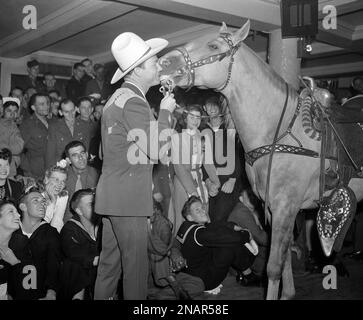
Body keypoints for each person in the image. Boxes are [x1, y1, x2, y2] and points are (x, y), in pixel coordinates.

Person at [94, 32, 176, 300]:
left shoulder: (115, 98)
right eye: (153, 63)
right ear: (138, 70)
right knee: (136, 271)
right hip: (128, 200)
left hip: (111, 197)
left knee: (109, 268)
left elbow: (106, 151)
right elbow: (155, 150)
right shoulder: (136, 102)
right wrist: (165, 112)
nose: (157, 66)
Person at [176, 196, 258, 294]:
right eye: (197, 210)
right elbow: (236, 238)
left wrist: (232, 226)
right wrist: (246, 234)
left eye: (202, 208)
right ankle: (248, 276)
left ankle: (246, 273)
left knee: (225, 238)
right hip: (205, 280)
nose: (203, 211)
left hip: (194, 272)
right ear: (190, 217)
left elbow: (213, 227)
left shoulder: (185, 226)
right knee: (230, 244)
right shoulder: (199, 233)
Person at [170, 104, 220, 234]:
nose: (195, 120)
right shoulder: (177, 138)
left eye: (198, 117)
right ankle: (179, 248)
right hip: (183, 183)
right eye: (192, 117)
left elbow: (208, 163)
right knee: (183, 217)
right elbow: (179, 167)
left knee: (202, 215)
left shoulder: (203, 137)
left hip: (199, 180)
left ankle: (199, 246)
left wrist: (215, 182)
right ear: (185, 119)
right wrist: (192, 191)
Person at [8, 187, 61, 300]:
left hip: (40, 293)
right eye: (35, 201)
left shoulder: (50, 233)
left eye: (43, 202)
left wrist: (51, 292)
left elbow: (53, 266)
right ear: (23, 207)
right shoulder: (11, 231)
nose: (42, 204)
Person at [202, 96, 242, 222]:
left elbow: (238, 154)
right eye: (209, 105)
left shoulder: (230, 127)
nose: (212, 108)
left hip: (228, 181)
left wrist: (233, 179)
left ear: (221, 108)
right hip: (211, 183)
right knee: (210, 218)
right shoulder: (202, 129)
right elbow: (202, 158)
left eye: (216, 105)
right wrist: (207, 181)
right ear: (204, 108)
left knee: (219, 218)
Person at [59, 188, 101, 300]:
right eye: (91, 204)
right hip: (83, 276)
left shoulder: (104, 224)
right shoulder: (70, 228)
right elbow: (72, 251)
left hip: (103, 273)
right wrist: (95, 259)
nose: (96, 206)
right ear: (79, 211)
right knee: (72, 263)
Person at [45, 99, 94, 168]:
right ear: (61, 112)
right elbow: (50, 154)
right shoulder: (54, 127)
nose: (71, 114)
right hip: (61, 167)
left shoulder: (84, 126)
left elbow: (86, 151)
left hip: (79, 167)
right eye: (66, 112)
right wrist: (51, 171)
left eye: (72, 111)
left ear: (76, 109)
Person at [64, 141, 99, 223]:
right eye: (75, 155)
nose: (80, 158)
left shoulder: (98, 176)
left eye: (82, 153)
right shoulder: (63, 177)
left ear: (87, 154)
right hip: (67, 222)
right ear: (68, 160)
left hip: (91, 221)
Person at [19, 93, 51, 180]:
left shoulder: (52, 122)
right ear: (33, 107)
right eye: (42, 104)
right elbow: (19, 151)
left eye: (47, 103)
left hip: (52, 170)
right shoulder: (27, 125)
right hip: (35, 172)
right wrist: (27, 171)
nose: (46, 106)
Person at [0, 200, 21, 300]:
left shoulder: (22, 244)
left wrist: (15, 263)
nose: (18, 216)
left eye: (17, 212)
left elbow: (32, 283)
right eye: (11, 211)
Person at [43, 164, 69, 232]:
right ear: (46, 179)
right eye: (56, 180)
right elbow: (42, 225)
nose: (60, 184)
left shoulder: (63, 197)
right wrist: (53, 202)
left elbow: (57, 223)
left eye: (63, 181)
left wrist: (53, 200)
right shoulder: (37, 196)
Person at [0, 105, 24, 177]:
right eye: (9, 110)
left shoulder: (14, 125)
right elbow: (18, 147)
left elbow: (19, 146)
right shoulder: (5, 125)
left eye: (15, 111)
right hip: (6, 166)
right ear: (2, 111)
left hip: (10, 166)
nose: (12, 114)